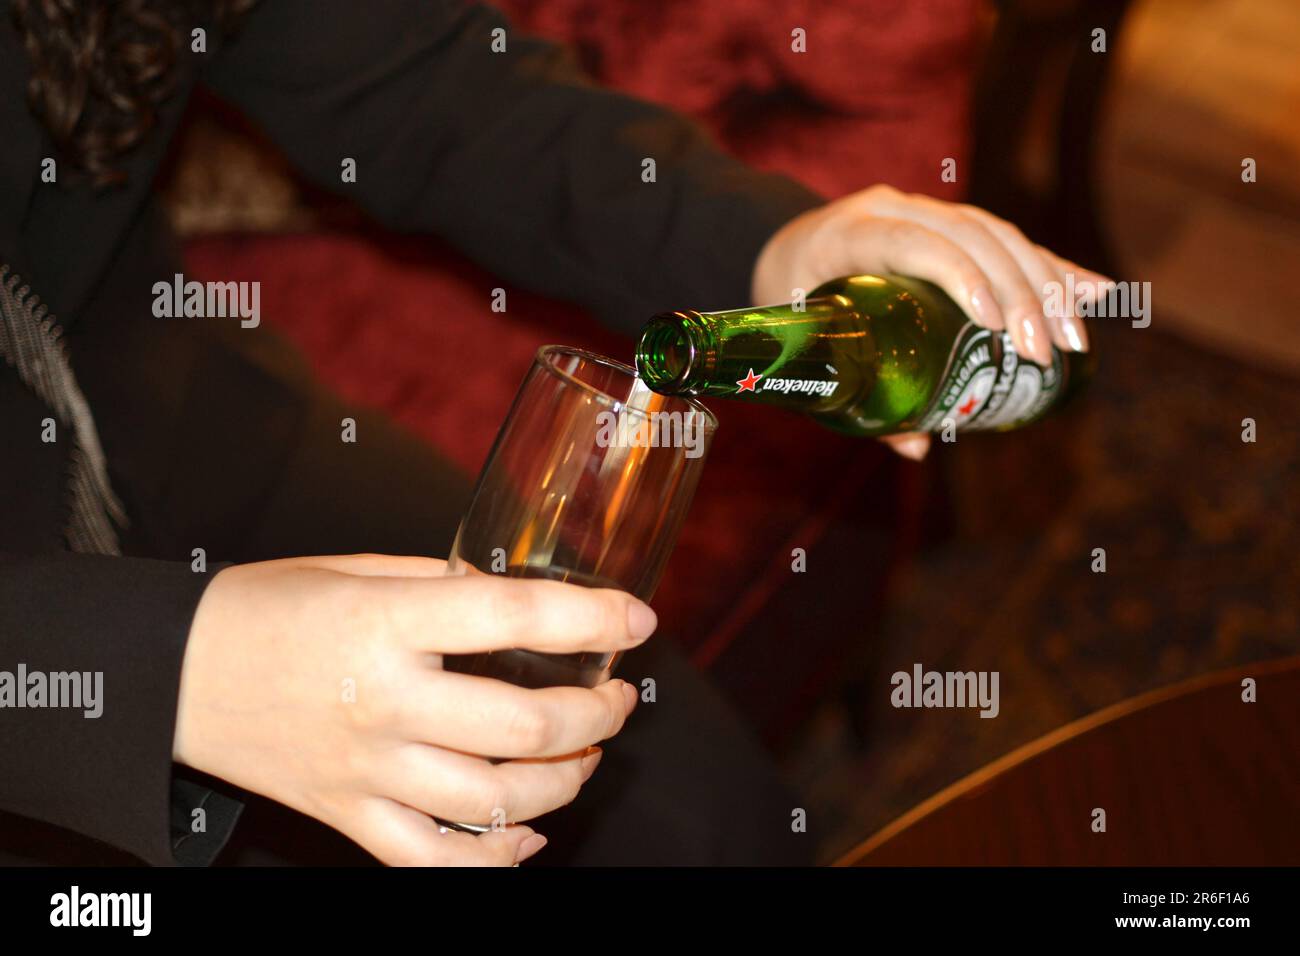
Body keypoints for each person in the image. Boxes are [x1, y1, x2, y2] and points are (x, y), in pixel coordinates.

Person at [0, 0, 1100, 866]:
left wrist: (768, 246)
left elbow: (417, 82)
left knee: (702, 818)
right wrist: (158, 677)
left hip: (161, 414)